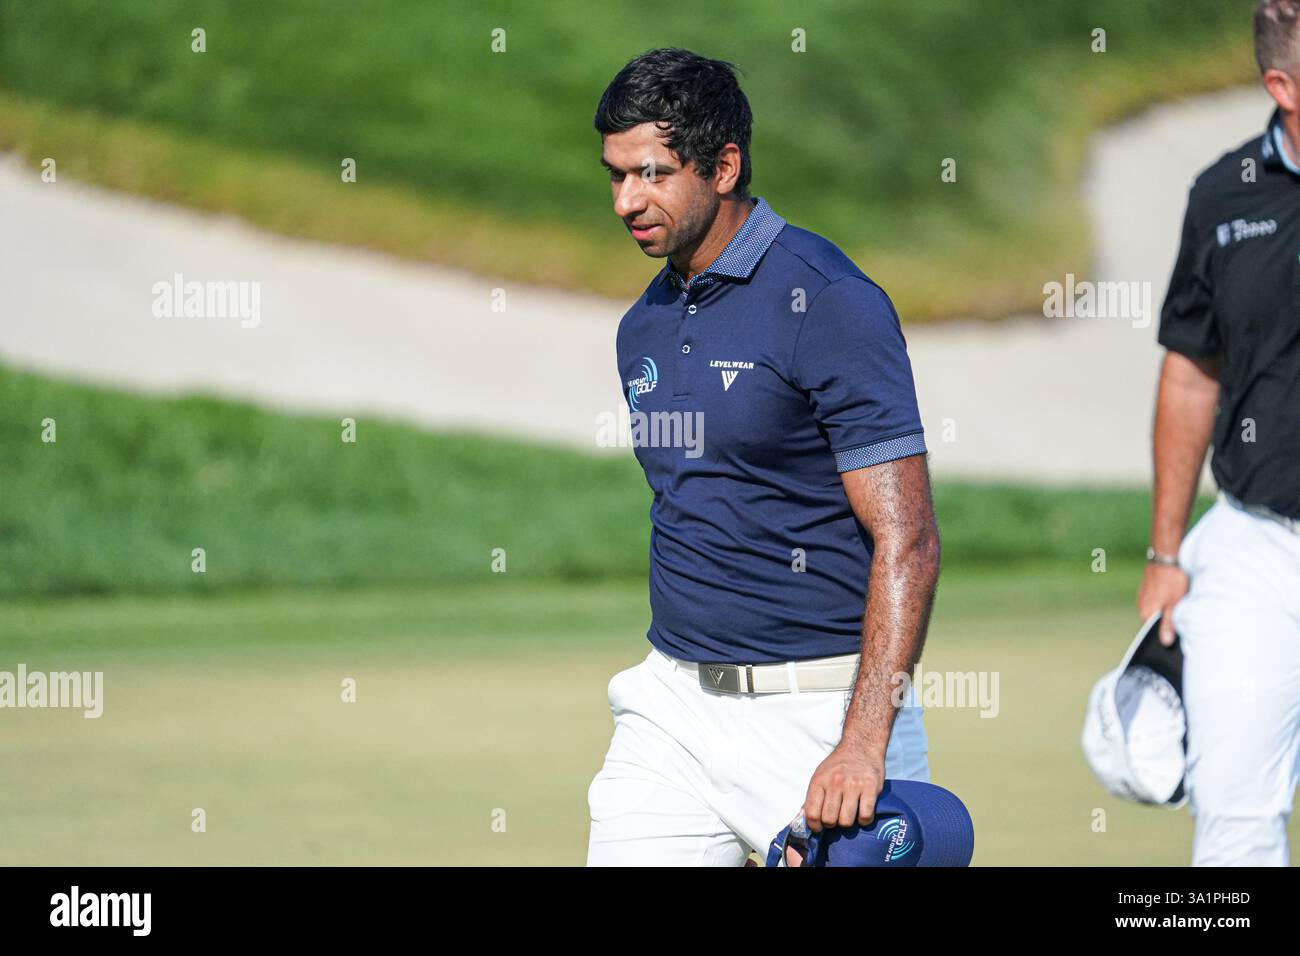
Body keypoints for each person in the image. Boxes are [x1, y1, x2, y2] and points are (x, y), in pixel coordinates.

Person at [586, 47, 937, 866]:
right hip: (671, 708)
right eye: (614, 176)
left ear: (724, 166)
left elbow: (909, 540)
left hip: (820, 713)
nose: (626, 201)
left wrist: (861, 742)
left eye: (651, 173)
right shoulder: (641, 323)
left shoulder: (830, 301)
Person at [1139, 0, 1300, 866]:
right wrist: (1166, 555)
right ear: (1282, 86)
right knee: (1235, 820)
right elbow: (1192, 373)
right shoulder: (1222, 194)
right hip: (1256, 545)